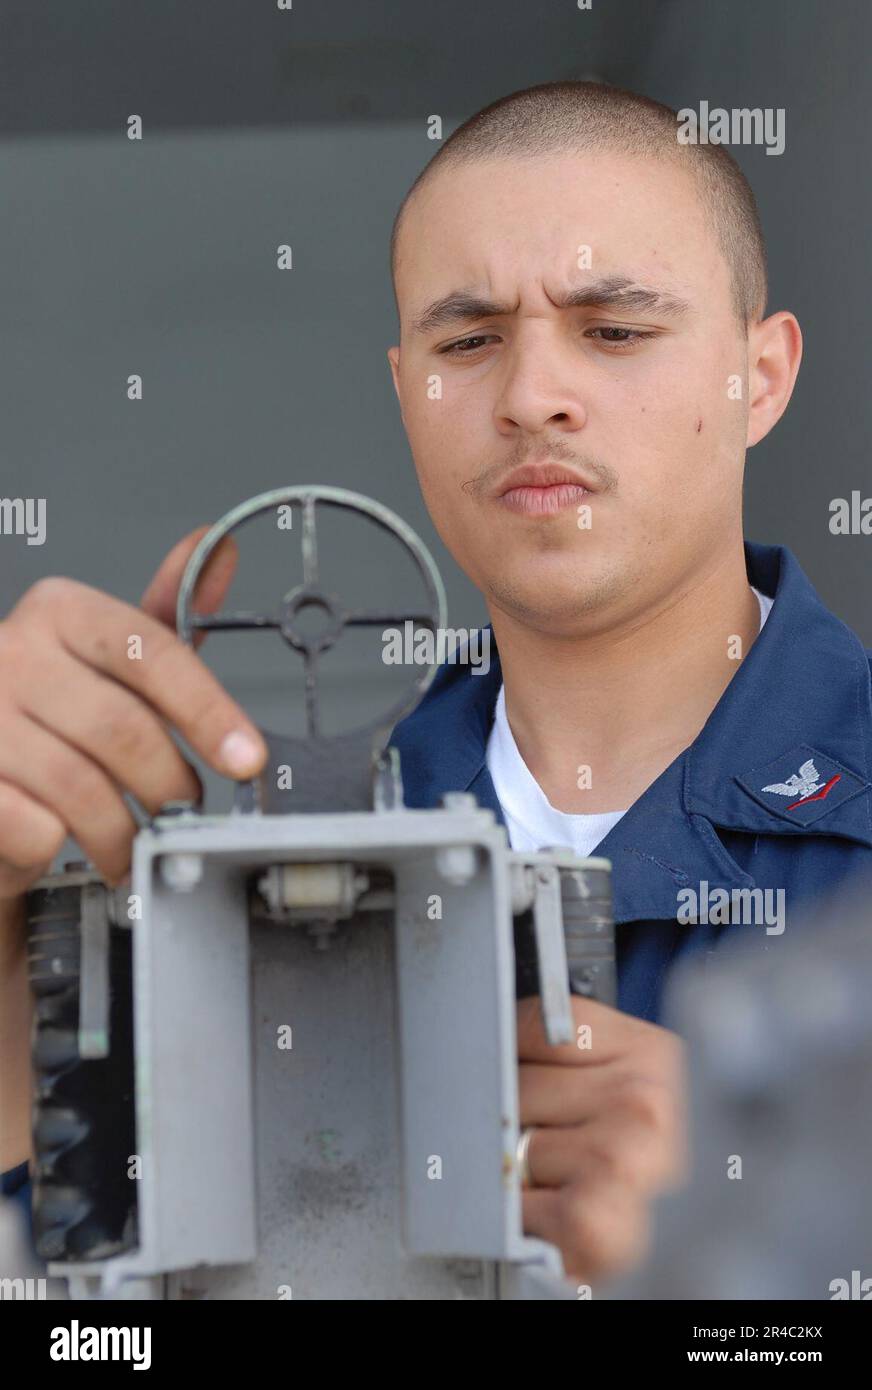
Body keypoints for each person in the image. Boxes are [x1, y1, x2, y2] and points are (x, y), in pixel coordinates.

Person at [1, 81, 870, 1287]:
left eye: (613, 329)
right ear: (406, 387)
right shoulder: (235, 874)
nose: (528, 396)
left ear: (759, 376)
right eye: (468, 342)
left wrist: (763, 1231)